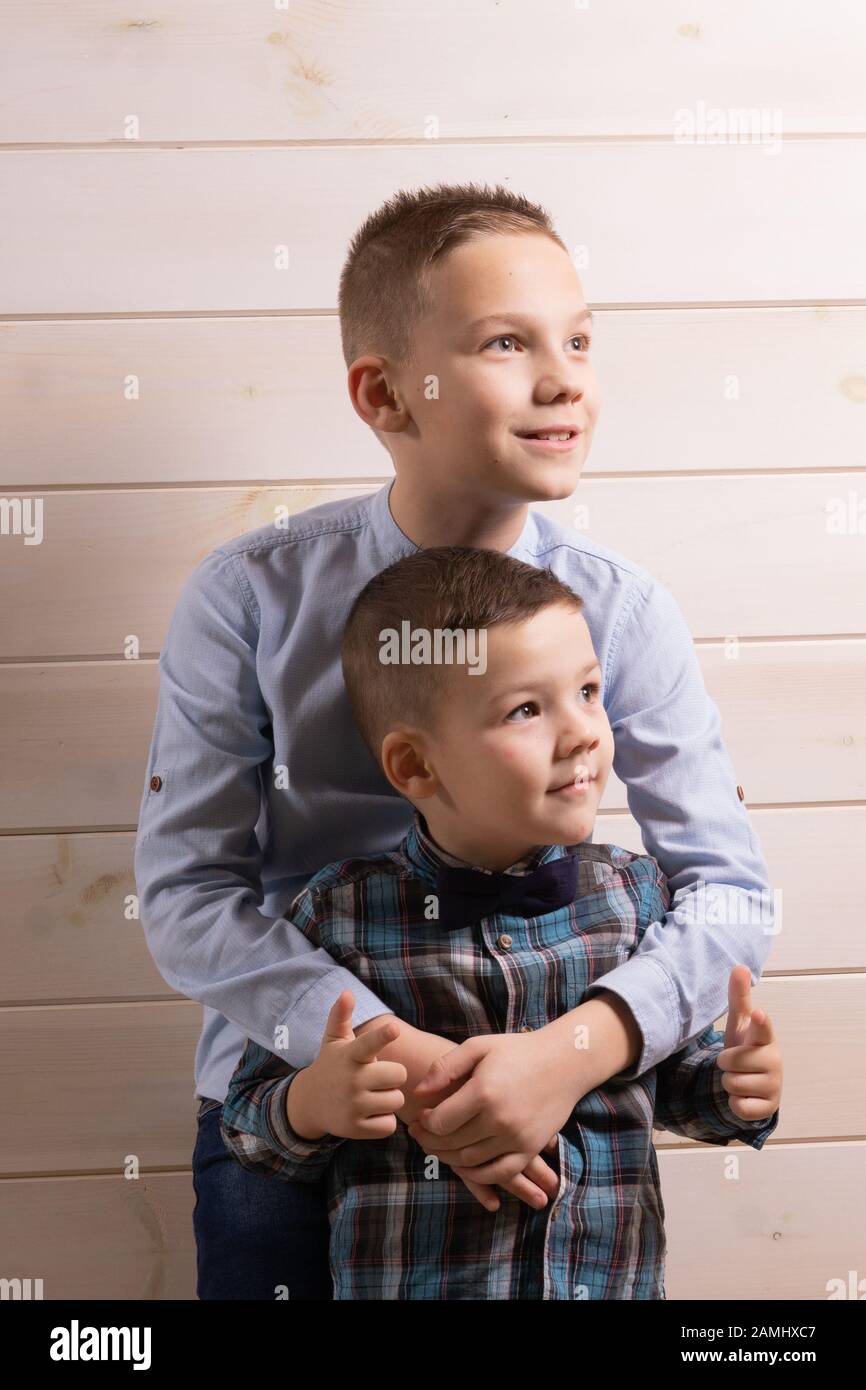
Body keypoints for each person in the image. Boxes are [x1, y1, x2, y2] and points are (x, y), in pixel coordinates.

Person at [133, 182, 777, 1300]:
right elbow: (187, 894)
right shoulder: (248, 598)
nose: (565, 374)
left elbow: (727, 891)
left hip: (554, 1119)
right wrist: (424, 1071)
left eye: (577, 339)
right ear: (386, 393)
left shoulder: (624, 612)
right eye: (504, 342)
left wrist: (565, 1055)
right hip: (293, 1111)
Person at [220, 546, 782, 1300]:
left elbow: (673, 1085)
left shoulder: (637, 898)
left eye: (588, 691)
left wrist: (737, 1088)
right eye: (526, 708)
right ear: (416, 767)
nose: (583, 731)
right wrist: (317, 1103)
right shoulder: (338, 917)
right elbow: (248, 1126)